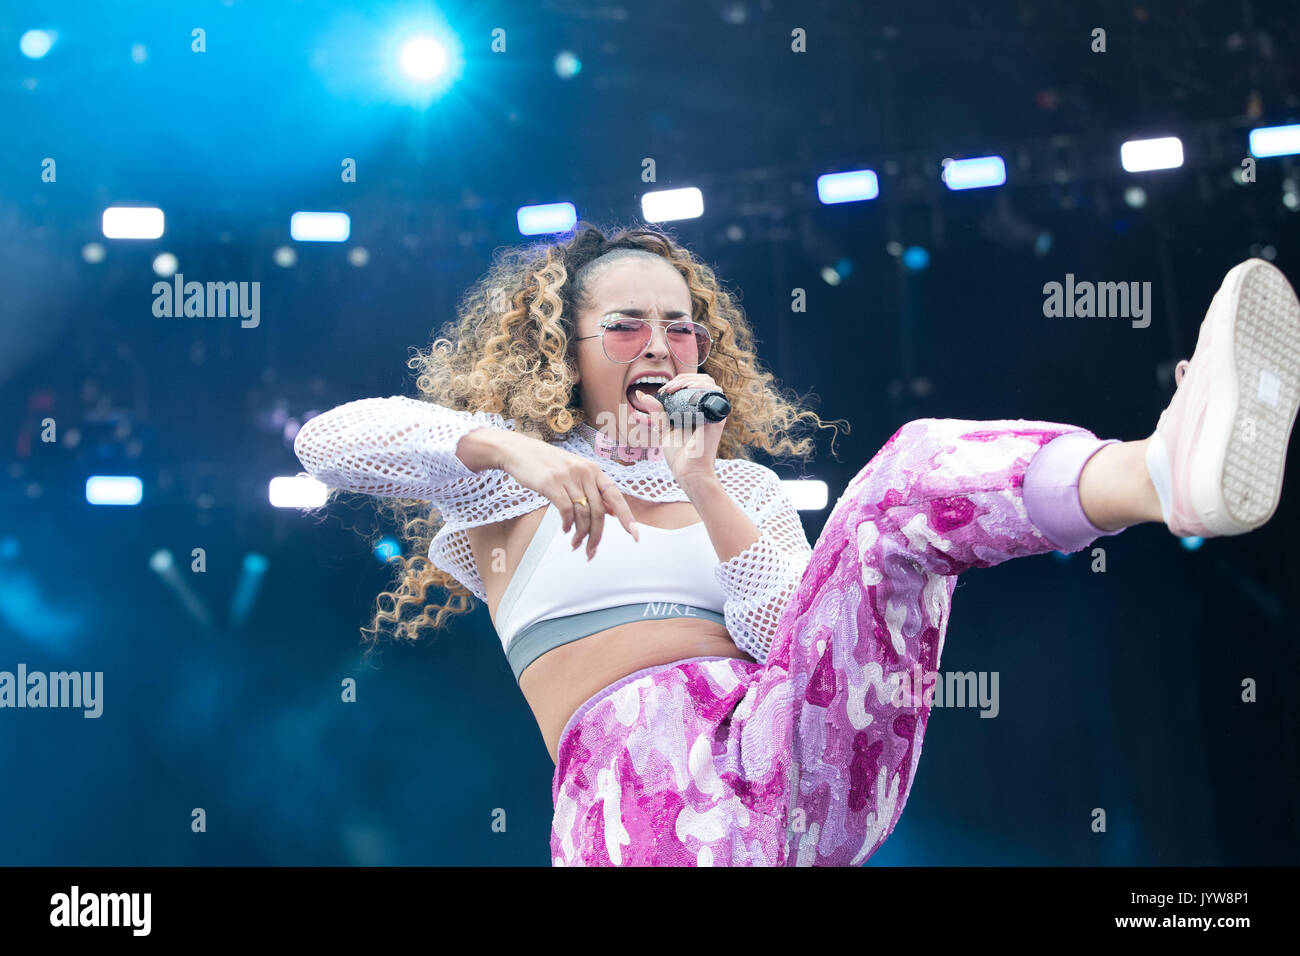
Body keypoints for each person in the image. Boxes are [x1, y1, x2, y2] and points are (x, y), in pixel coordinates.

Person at [292, 222, 1300, 865]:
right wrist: (509, 444)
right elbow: (326, 442)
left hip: (790, 756)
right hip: (635, 809)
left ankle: (1161, 474)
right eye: (627, 323)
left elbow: (788, 636)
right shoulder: (497, 475)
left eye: (680, 326)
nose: (660, 345)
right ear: (560, 346)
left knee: (903, 480)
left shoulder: (744, 485)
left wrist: (703, 486)